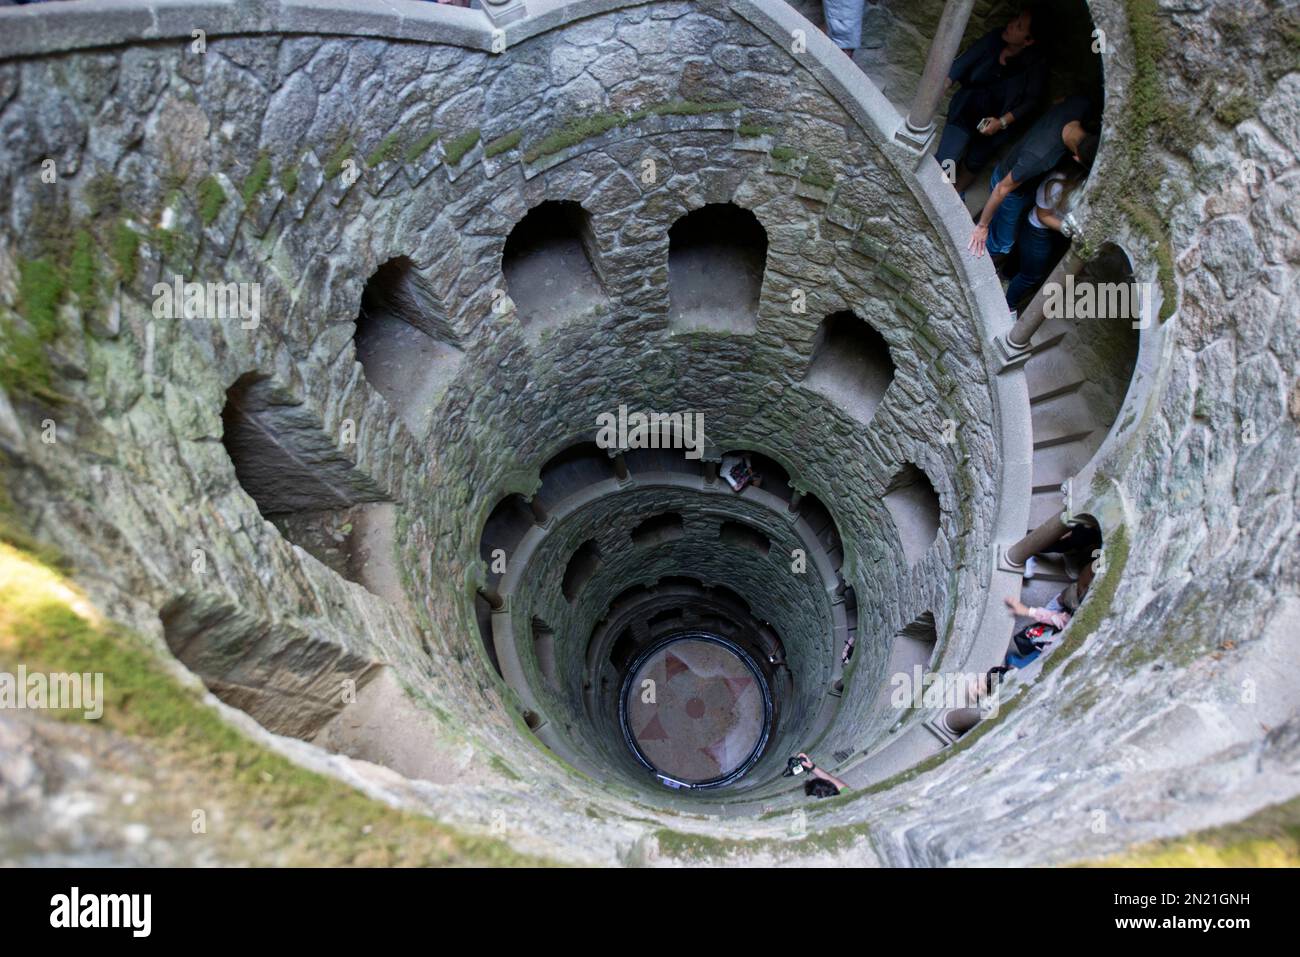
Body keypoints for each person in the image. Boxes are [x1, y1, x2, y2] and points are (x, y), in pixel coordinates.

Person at [968, 95, 1100, 260]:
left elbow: (1058, 101)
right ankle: (974, 257)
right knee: (1002, 243)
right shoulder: (1039, 157)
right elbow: (1002, 189)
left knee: (1005, 223)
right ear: (1077, 159)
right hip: (1011, 191)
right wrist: (982, 226)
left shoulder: (1080, 105)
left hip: (1027, 181)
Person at [936, 6, 1050, 194]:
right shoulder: (994, 39)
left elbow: (1031, 101)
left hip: (996, 124)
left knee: (973, 161)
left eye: (1019, 26)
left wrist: (1002, 122)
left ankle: (955, 194)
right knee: (946, 159)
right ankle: (937, 190)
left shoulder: (1035, 65)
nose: (1011, 25)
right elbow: (963, 63)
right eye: (1015, 19)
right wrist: (942, 86)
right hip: (966, 109)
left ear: (1028, 40)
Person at [1003, 162, 1084, 311]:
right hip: (1038, 228)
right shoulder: (1058, 182)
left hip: (1056, 232)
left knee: (1026, 263)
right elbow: (1043, 215)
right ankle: (1008, 306)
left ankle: (1007, 279)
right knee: (1031, 275)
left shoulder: (1080, 185)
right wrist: (1068, 229)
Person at [1002, 561, 1094, 666]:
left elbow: (1058, 620)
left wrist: (1028, 611)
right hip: (1059, 635)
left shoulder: (1076, 622)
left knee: (1040, 656)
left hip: (1055, 645)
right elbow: (1059, 604)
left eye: (1080, 590)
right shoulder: (1075, 596)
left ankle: (1018, 666)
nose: (1079, 589)